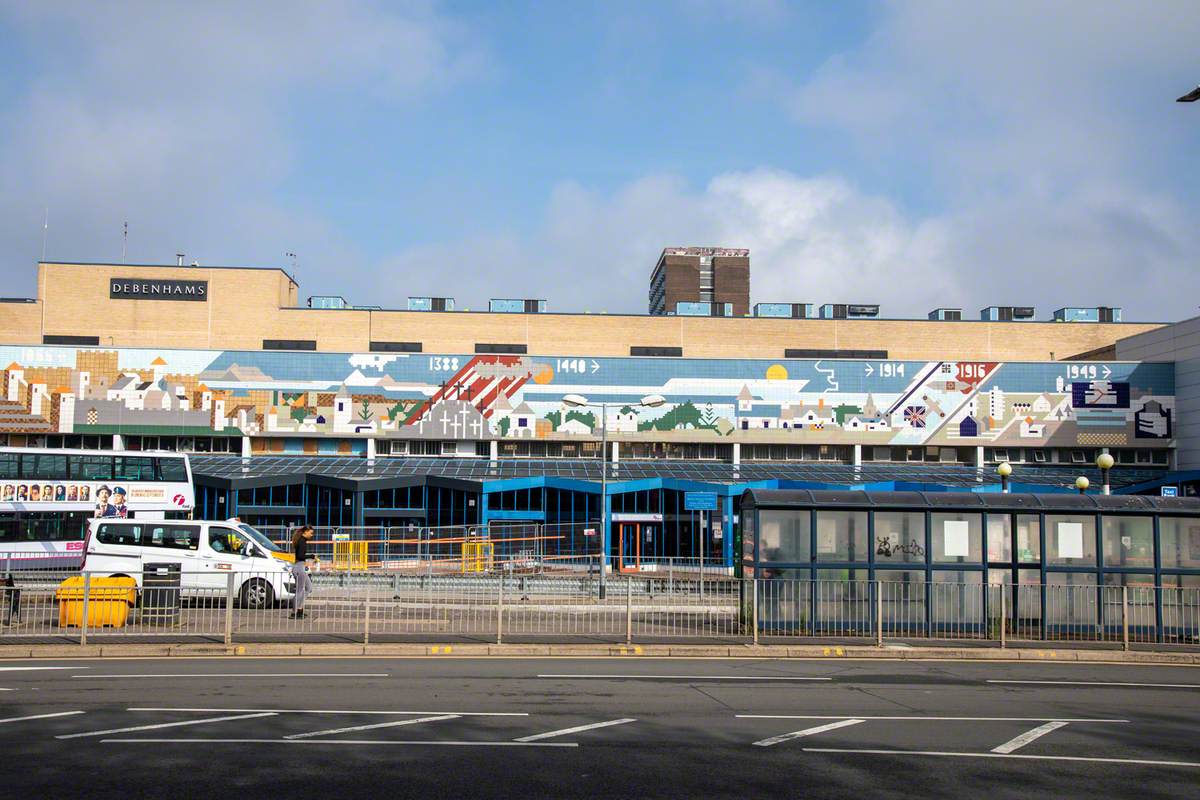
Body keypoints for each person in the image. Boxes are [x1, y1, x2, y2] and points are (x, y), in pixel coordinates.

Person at [289, 526, 316, 619]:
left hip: (300, 567)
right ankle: (295, 612)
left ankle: (299, 608)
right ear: (306, 532)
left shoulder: (302, 541)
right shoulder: (302, 541)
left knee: (309, 588)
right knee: (299, 590)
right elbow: (300, 556)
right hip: (299, 567)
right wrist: (311, 556)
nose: (312, 535)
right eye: (311, 533)